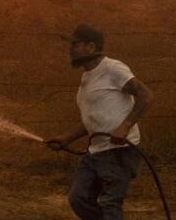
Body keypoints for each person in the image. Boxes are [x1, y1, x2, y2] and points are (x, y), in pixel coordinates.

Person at [44, 23, 155, 220]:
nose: (70, 49)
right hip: (95, 151)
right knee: (78, 199)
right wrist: (66, 138)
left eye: (75, 44)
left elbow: (145, 95)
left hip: (120, 152)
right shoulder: (87, 77)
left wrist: (125, 126)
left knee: (110, 203)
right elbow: (94, 118)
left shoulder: (113, 68)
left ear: (91, 47)